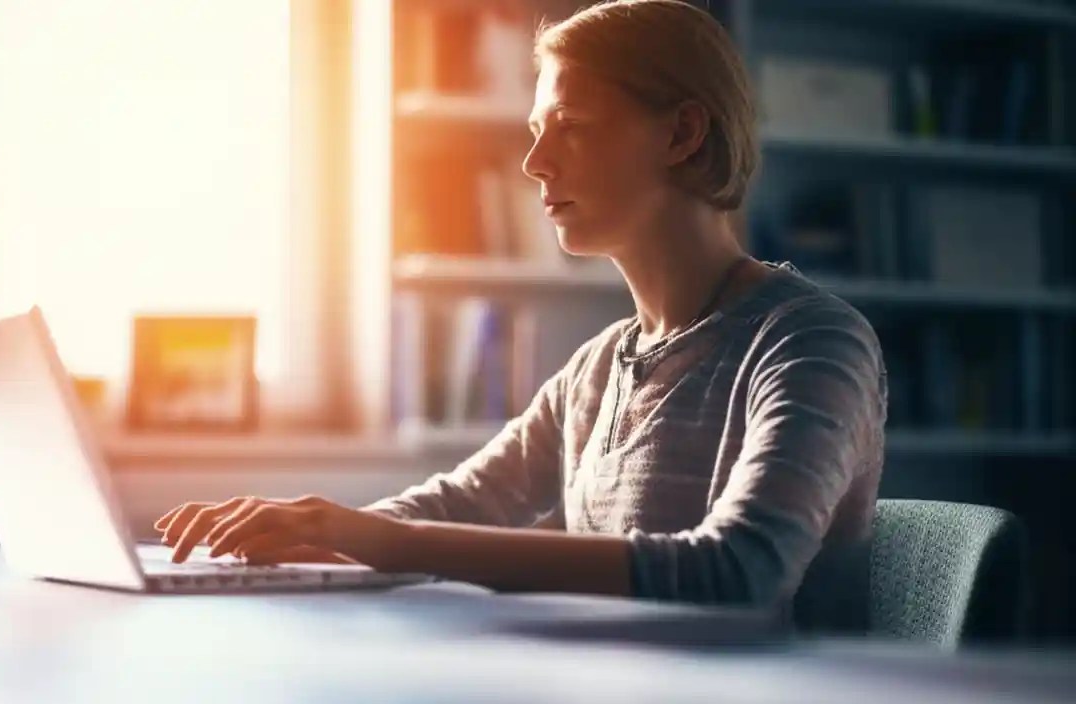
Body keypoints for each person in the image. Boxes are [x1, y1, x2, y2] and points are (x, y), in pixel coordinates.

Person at [156, 0, 886, 625]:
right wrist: (313, 530)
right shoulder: (600, 367)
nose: (534, 162)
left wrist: (374, 539)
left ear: (680, 135)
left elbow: (739, 573)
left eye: (568, 124)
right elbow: (464, 502)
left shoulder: (811, 342)